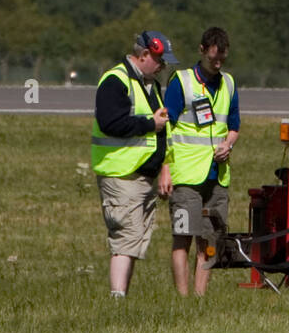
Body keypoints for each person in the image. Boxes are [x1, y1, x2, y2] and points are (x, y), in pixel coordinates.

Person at [90, 31, 178, 298]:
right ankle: (117, 298)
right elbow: (111, 123)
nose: (163, 67)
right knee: (125, 238)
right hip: (121, 174)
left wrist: (164, 166)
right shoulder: (115, 81)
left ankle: (122, 294)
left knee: (135, 239)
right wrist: (150, 124)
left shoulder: (150, 85)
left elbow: (163, 130)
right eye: (160, 61)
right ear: (144, 55)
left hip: (141, 176)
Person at [162, 26, 240, 296]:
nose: (217, 65)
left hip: (217, 176)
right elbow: (165, 128)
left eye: (222, 60)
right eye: (212, 59)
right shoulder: (181, 82)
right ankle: (183, 299)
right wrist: (165, 170)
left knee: (209, 241)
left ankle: (199, 297)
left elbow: (234, 125)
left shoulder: (229, 83)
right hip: (185, 177)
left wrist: (228, 144)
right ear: (202, 51)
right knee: (182, 237)